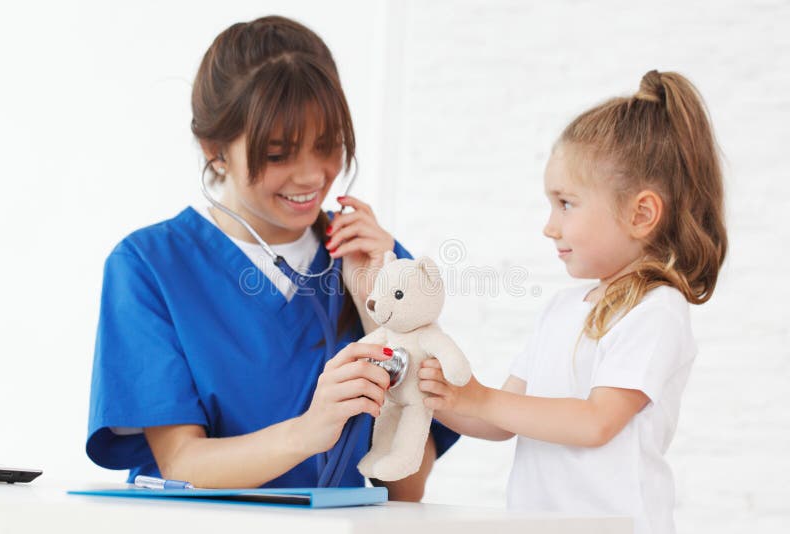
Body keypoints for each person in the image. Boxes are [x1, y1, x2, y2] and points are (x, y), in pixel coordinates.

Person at [85, 15, 458, 500]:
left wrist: (375, 319)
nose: (311, 176)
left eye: (327, 146)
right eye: (279, 154)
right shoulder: (149, 266)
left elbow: (405, 486)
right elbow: (182, 460)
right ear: (215, 150)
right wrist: (311, 429)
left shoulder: (379, 263)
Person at [418, 70, 727, 532]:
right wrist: (439, 397)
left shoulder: (656, 310)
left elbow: (596, 422)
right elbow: (503, 419)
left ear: (640, 214)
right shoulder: (563, 309)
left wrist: (479, 399)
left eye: (565, 203)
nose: (549, 225)